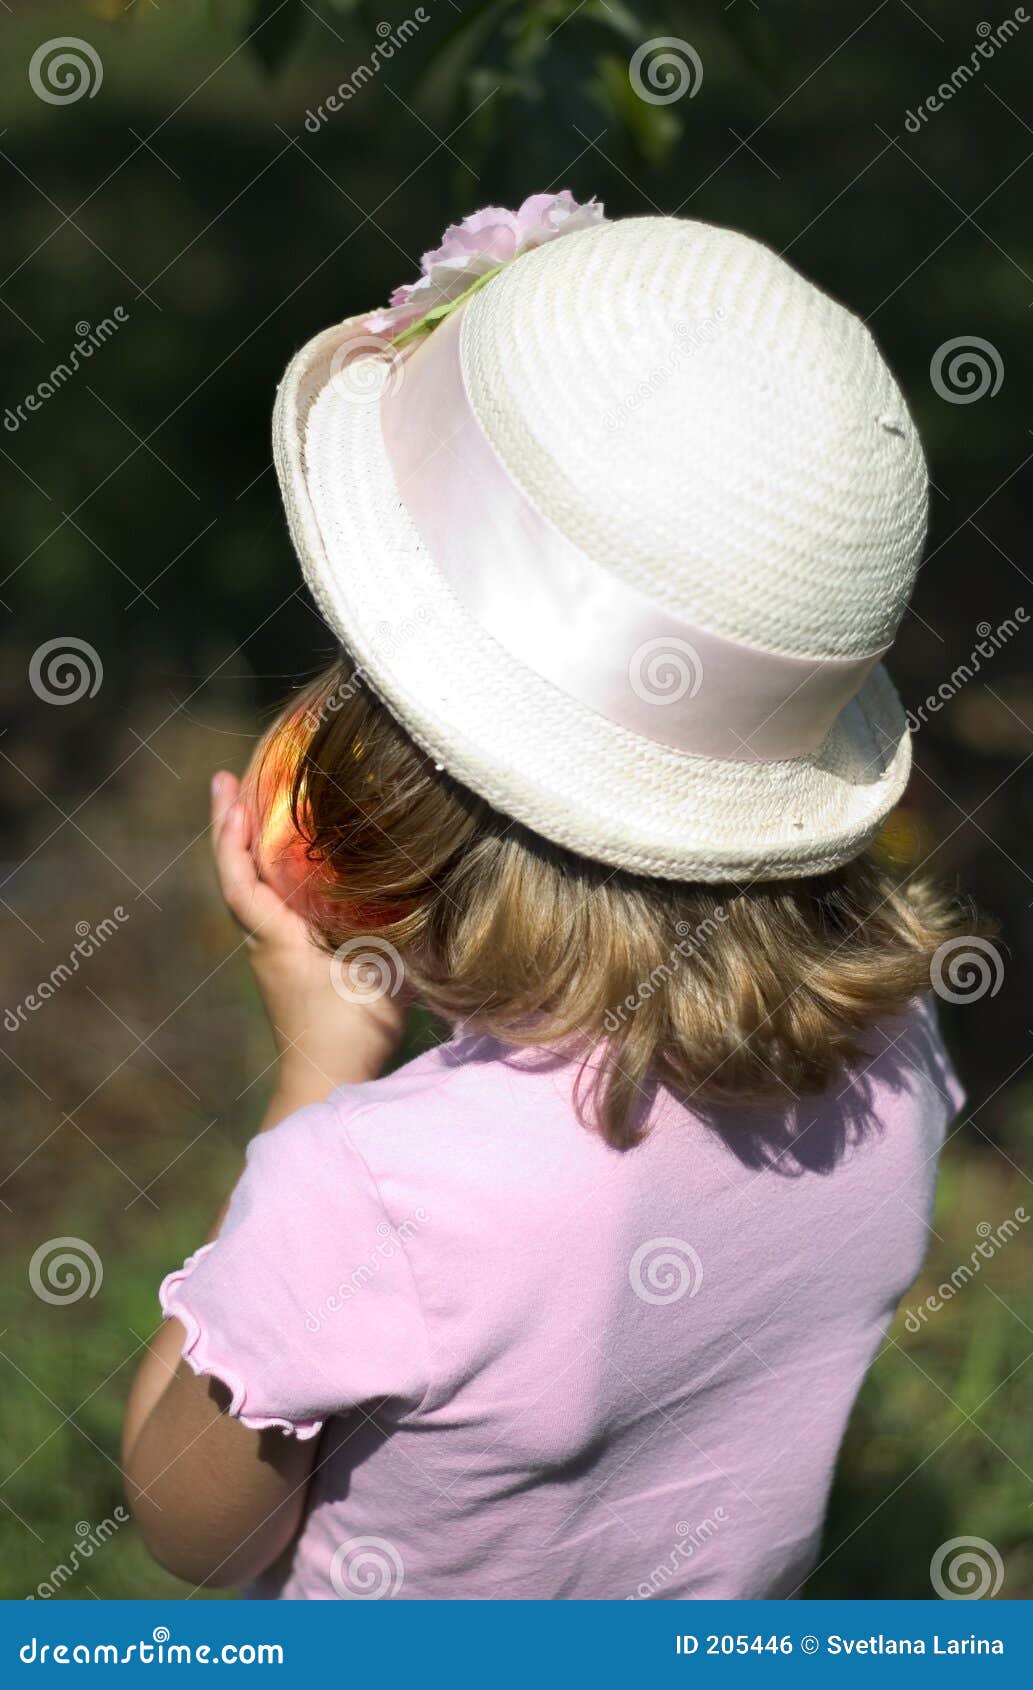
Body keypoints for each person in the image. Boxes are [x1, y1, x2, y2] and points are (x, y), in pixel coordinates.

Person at [123, 196, 972, 1600]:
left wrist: (316, 1077)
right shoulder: (903, 1059)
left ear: (411, 802)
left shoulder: (373, 1189)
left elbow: (185, 1524)